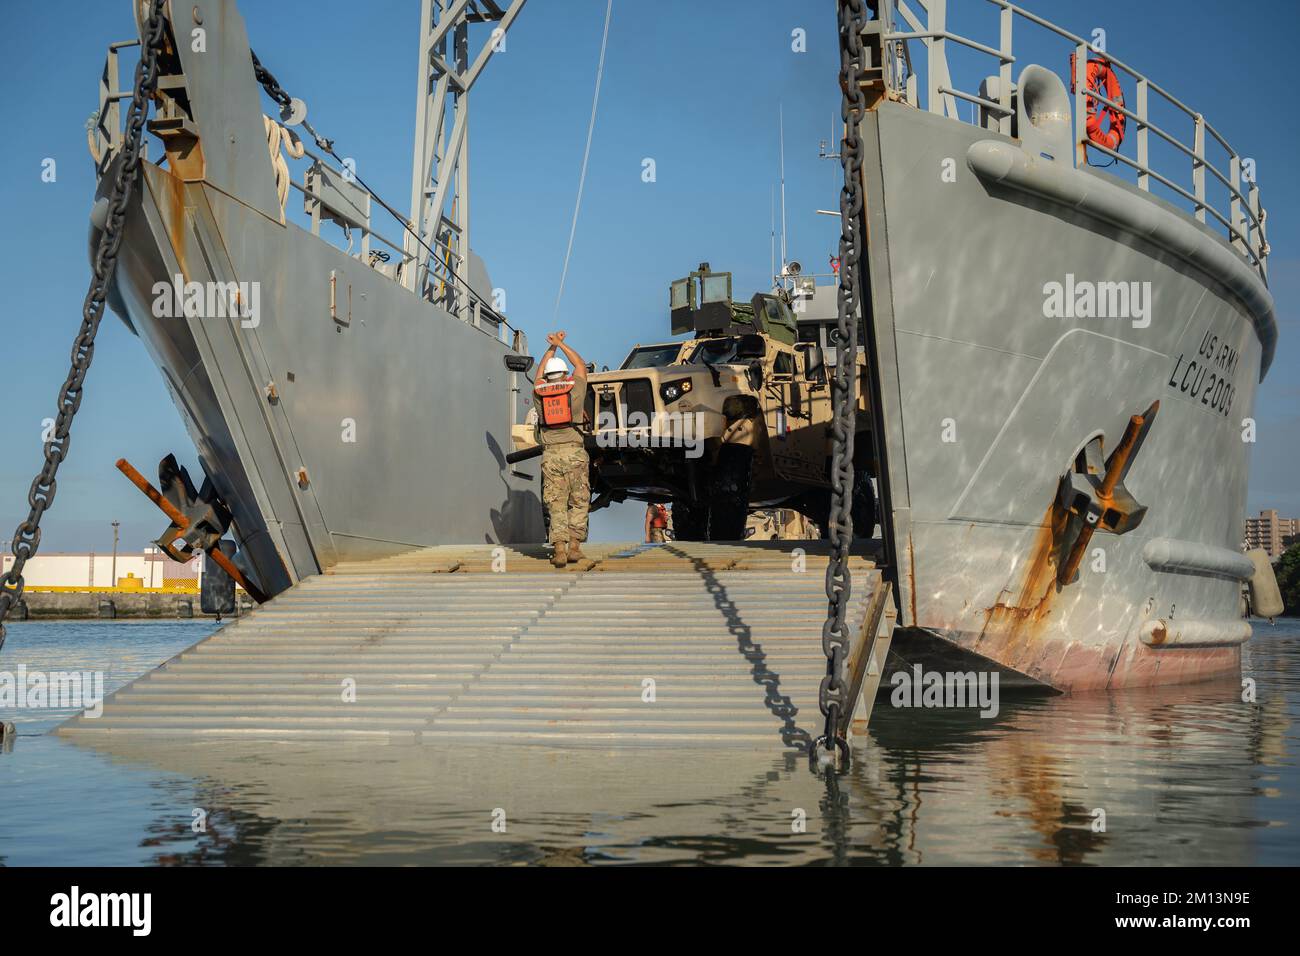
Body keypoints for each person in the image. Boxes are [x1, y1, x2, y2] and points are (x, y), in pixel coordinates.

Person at [534, 331, 590, 568]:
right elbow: (580, 364)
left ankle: (558, 550)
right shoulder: (575, 390)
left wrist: (550, 349)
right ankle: (574, 548)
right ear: (565, 375)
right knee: (578, 501)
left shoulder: (539, 393)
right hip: (574, 453)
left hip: (551, 456)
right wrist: (561, 343)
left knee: (556, 503)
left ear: (547, 377)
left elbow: (538, 375)